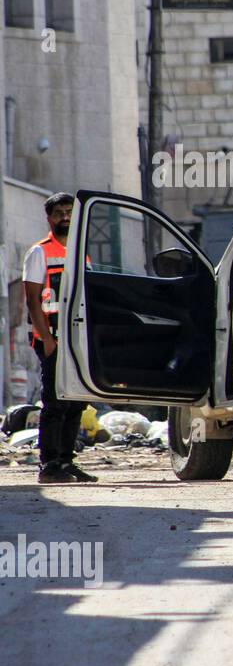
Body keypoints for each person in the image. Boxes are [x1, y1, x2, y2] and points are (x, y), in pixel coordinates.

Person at [23, 193, 97, 484]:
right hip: (51, 338)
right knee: (54, 402)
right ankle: (49, 465)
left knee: (76, 401)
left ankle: (66, 462)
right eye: (59, 213)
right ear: (49, 218)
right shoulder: (39, 252)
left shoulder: (81, 253)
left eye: (69, 212)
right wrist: (47, 340)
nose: (65, 217)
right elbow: (31, 300)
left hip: (76, 339)